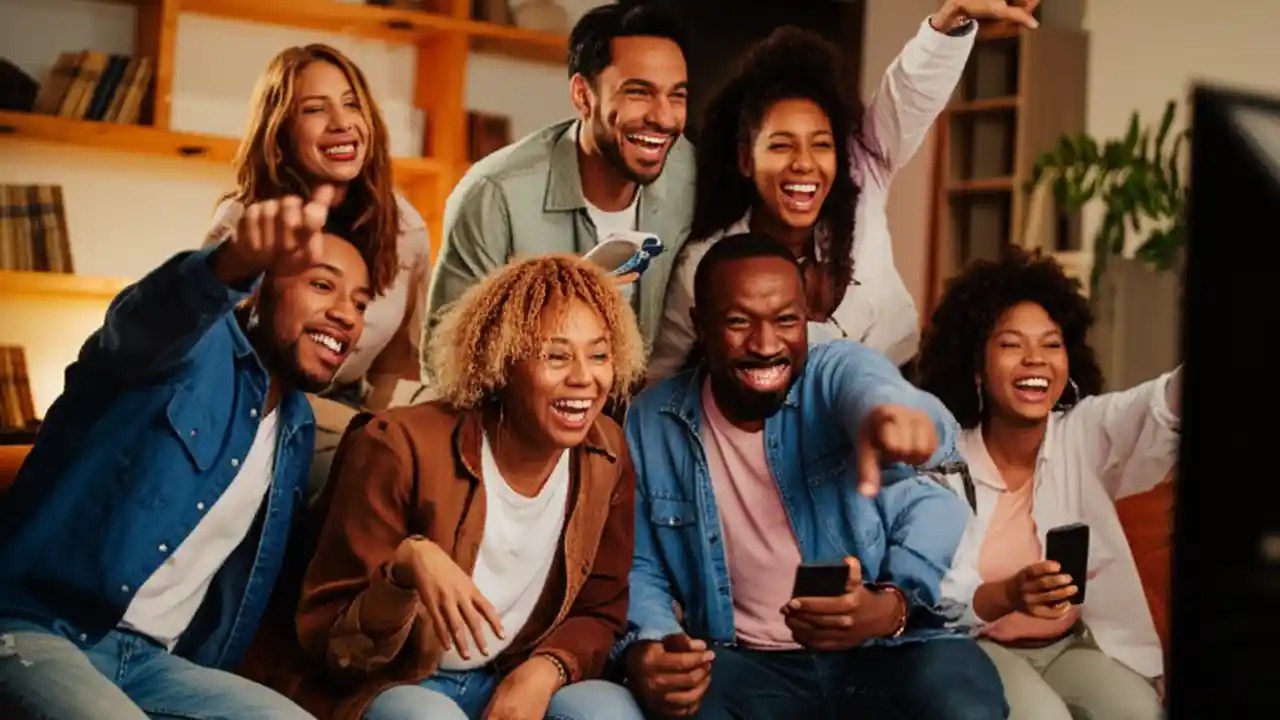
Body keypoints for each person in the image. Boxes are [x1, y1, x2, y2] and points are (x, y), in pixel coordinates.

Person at [0, 186, 369, 719]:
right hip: (38, 627)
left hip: (153, 665)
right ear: (257, 292)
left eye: (360, 303)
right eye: (321, 286)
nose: (346, 315)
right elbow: (141, 323)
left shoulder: (298, 429)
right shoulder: (187, 347)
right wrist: (228, 265)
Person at [615, 233, 1008, 719]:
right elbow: (642, 564)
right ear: (701, 325)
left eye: (786, 321)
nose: (765, 345)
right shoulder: (654, 421)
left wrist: (886, 609)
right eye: (739, 322)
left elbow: (867, 387)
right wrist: (655, 644)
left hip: (884, 651)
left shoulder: (832, 372)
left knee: (964, 703)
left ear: (807, 321)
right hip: (745, 662)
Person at [292, 255, 646, 720]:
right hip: (401, 684)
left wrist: (546, 670)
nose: (584, 378)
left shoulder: (606, 453)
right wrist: (404, 569)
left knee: (608, 711)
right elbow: (335, 650)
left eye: (599, 355)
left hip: (512, 670)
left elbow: (600, 610)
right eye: (556, 356)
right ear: (499, 362)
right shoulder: (396, 446)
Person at [647, 0, 1043, 383]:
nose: (804, 163)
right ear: (745, 160)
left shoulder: (861, 174)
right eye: (782, 144)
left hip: (901, 393)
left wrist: (952, 18)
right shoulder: (706, 265)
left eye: (820, 144)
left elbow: (908, 95)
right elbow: (662, 378)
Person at [916, 249, 1178, 719]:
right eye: (1012, 344)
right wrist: (1011, 593)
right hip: (976, 646)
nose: (1035, 359)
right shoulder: (943, 462)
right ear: (976, 367)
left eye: (1051, 344)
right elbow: (936, 600)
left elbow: (1157, 408)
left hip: (1069, 643)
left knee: (1140, 713)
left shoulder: (1082, 431)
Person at [206, 43, 432, 497]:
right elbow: (206, 345)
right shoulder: (244, 220)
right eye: (315, 108)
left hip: (355, 411)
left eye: (352, 105)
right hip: (254, 403)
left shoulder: (404, 227)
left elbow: (400, 363)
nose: (342, 122)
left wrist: (387, 431)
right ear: (281, 130)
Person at [423, 2, 693, 358]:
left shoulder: (688, 173)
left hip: (646, 408)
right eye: (639, 92)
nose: (663, 117)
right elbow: (446, 358)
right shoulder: (496, 194)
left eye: (677, 95)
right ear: (583, 96)